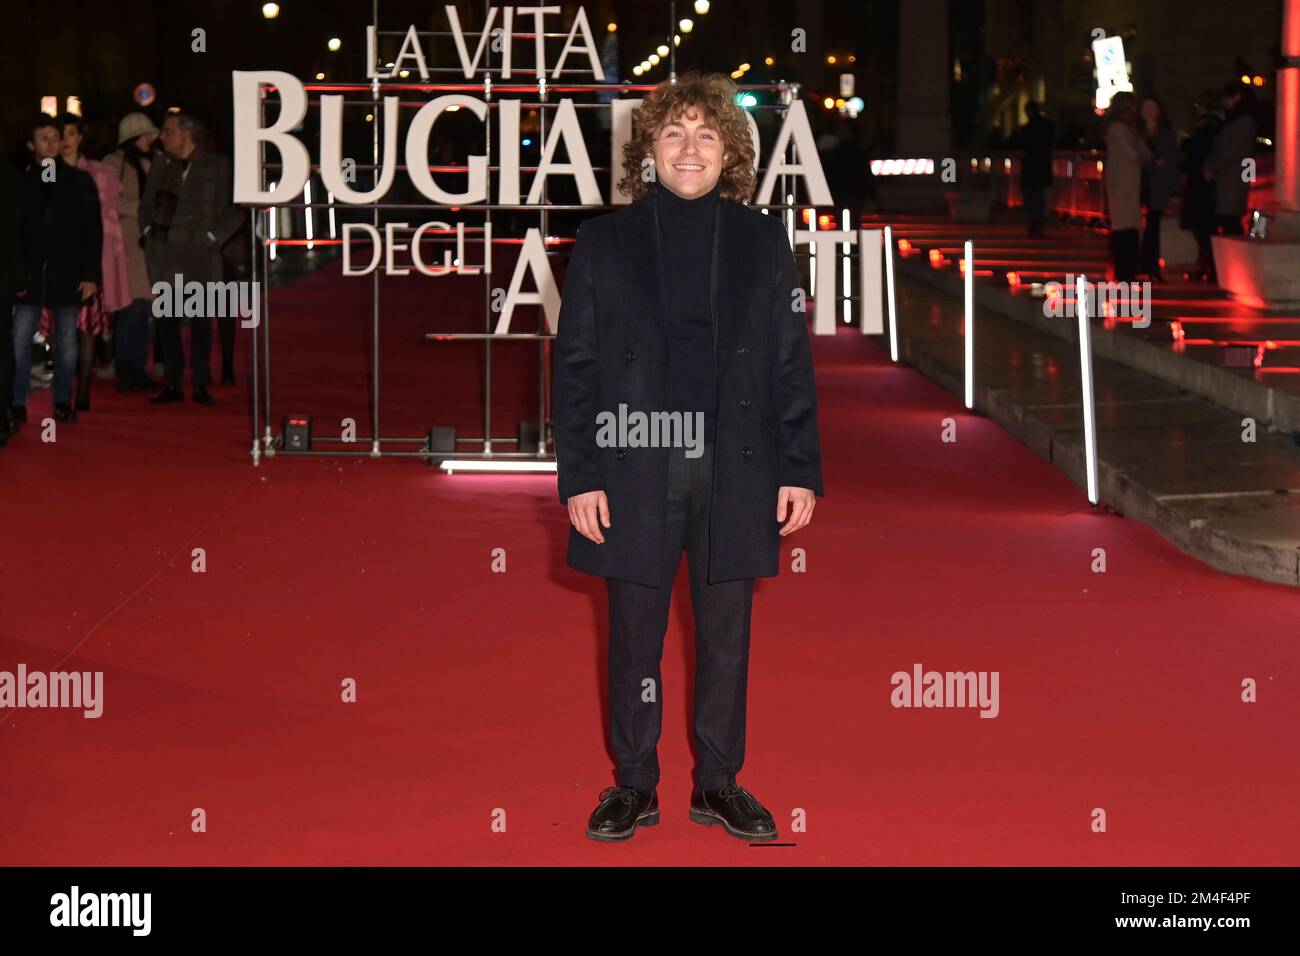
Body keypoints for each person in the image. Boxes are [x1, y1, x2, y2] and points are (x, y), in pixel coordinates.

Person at [553, 71, 825, 843]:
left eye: (706, 134)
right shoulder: (604, 242)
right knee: (635, 632)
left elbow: (788, 361)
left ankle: (719, 781)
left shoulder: (762, 240)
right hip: (635, 462)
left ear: (729, 152)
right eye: (674, 133)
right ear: (651, 151)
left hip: (736, 464)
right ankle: (634, 783)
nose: (690, 148)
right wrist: (581, 476)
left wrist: (800, 465)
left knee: (726, 634)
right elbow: (574, 367)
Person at [138, 112, 242, 405]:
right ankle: (173, 383)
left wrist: (213, 238)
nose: (162, 136)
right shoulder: (161, 165)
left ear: (188, 134)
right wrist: (149, 232)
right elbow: (146, 205)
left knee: (200, 322)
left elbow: (236, 208)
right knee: (168, 323)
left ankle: (199, 383)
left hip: (200, 256)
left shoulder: (217, 165)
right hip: (166, 254)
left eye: (168, 130)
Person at [12, 114, 101, 425]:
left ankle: (62, 400)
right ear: (30, 144)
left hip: (68, 272)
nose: (51, 143)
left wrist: (91, 274)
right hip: (30, 274)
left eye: (55, 137)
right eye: (44, 138)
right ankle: (16, 401)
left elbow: (93, 230)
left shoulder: (79, 181)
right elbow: (15, 231)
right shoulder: (22, 182)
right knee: (20, 338)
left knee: (66, 338)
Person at [44, 113, 132, 411]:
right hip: (55, 262)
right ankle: (62, 389)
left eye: (71, 133)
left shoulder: (99, 173)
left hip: (88, 261)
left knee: (87, 328)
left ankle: (82, 389)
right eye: (60, 134)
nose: (65, 140)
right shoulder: (47, 171)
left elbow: (105, 222)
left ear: (80, 138)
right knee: (58, 330)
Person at [102, 112, 162, 394]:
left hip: (149, 247)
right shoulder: (113, 164)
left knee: (142, 309)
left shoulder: (153, 163)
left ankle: (136, 365)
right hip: (124, 246)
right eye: (146, 135)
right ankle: (126, 367)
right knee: (131, 308)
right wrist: (143, 208)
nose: (151, 140)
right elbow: (108, 200)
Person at [1203, 81, 1257, 281]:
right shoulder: (1238, 121)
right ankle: (1229, 271)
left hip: (1231, 179)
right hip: (1230, 179)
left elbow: (1232, 151)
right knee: (1228, 222)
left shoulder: (1243, 122)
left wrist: (1213, 167)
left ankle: (1233, 272)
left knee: (1230, 224)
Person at [1103, 92, 1150, 283]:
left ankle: (1127, 271)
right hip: (1123, 185)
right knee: (1124, 230)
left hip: (1127, 184)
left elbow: (1141, 153)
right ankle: (1124, 272)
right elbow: (1134, 154)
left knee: (1128, 229)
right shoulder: (1119, 129)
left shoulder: (1126, 129)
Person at [1180, 90, 1222, 280]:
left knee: (1203, 228)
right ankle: (1207, 265)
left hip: (1200, 184)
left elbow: (1195, 156)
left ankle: (1209, 266)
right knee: (1205, 228)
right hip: (1206, 184)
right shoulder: (1219, 126)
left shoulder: (1207, 128)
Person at [1139, 97, 1179, 282]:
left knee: (1153, 226)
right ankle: (1143, 264)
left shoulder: (1166, 133)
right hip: (1140, 184)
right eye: (1145, 107)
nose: (1148, 111)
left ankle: (1152, 267)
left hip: (1157, 186)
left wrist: (1173, 189)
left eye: (1152, 107)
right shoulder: (1136, 132)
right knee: (1140, 226)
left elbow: (1171, 162)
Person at [0, 155, 21, 448]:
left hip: (2, 273)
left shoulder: (8, 172)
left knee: (2, 345)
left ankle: (3, 410)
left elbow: (19, 226)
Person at [1016, 101, 1056, 237]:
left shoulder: (1027, 129)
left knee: (1031, 197)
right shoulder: (1048, 126)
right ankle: (1038, 224)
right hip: (1042, 166)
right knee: (1039, 197)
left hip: (1030, 167)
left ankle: (1034, 224)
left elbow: (1021, 145)